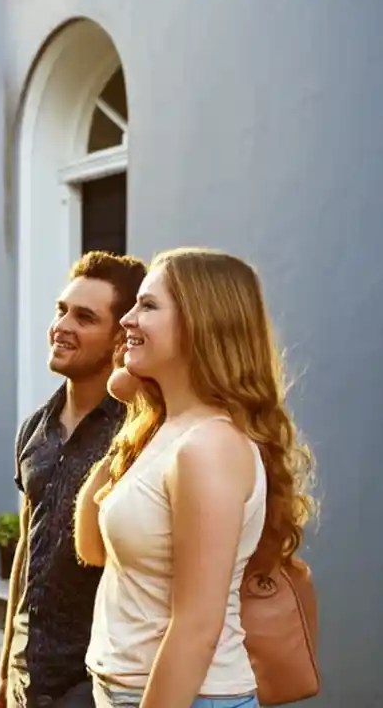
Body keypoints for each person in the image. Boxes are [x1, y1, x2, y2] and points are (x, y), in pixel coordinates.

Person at [74, 248, 316, 708]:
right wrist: (131, 416)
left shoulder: (209, 447)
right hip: (127, 690)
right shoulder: (165, 433)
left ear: (199, 323)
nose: (127, 319)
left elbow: (197, 628)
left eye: (148, 305)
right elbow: (91, 548)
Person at [0, 252, 147, 708]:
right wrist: (5, 671)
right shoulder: (35, 428)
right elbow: (27, 548)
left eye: (84, 317)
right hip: (29, 673)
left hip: (96, 679)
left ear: (120, 338)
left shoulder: (140, 436)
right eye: (62, 310)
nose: (63, 325)